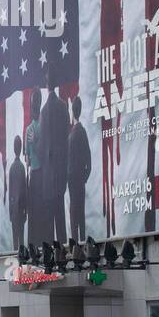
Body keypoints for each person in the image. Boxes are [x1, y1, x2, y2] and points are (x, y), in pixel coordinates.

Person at [39, 84, 70, 242]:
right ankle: (63, 246)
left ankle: (52, 252)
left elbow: (41, 147)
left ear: (47, 86)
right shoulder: (63, 106)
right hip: (61, 170)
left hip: (48, 175)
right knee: (60, 216)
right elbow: (67, 137)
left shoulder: (44, 111)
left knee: (50, 218)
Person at [67, 95, 92, 242]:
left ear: (72, 111)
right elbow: (88, 159)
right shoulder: (82, 132)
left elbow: (70, 162)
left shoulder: (73, 135)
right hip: (79, 180)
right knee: (80, 212)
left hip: (73, 180)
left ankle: (76, 243)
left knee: (74, 212)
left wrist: (75, 177)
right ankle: (80, 241)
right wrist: (84, 177)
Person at [24, 89, 44, 246]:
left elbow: (27, 160)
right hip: (41, 175)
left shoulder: (30, 129)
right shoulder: (41, 127)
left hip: (36, 175)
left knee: (35, 215)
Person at [8, 133, 27, 251]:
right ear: (20, 149)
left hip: (14, 208)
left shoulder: (12, 168)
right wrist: (26, 209)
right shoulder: (21, 167)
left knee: (15, 238)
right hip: (21, 209)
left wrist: (10, 210)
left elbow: (10, 191)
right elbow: (24, 190)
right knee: (21, 237)